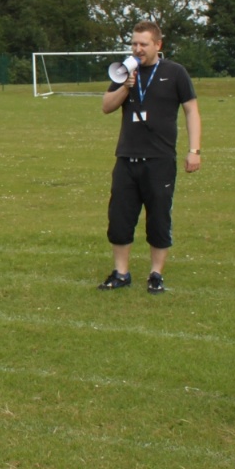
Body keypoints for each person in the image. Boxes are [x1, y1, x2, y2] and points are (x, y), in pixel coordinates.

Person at [97, 21, 201, 294]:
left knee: (158, 218)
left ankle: (156, 274)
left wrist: (194, 151)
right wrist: (125, 88)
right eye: (134, 44)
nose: (137, 49)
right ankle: (121, 273)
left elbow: (191, 111)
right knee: (119, 218)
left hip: (160, 160)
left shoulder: (175, 73)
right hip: (127, 158)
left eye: (143, 44)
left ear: (158, 45)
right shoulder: (125, 72)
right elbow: (106, 106)